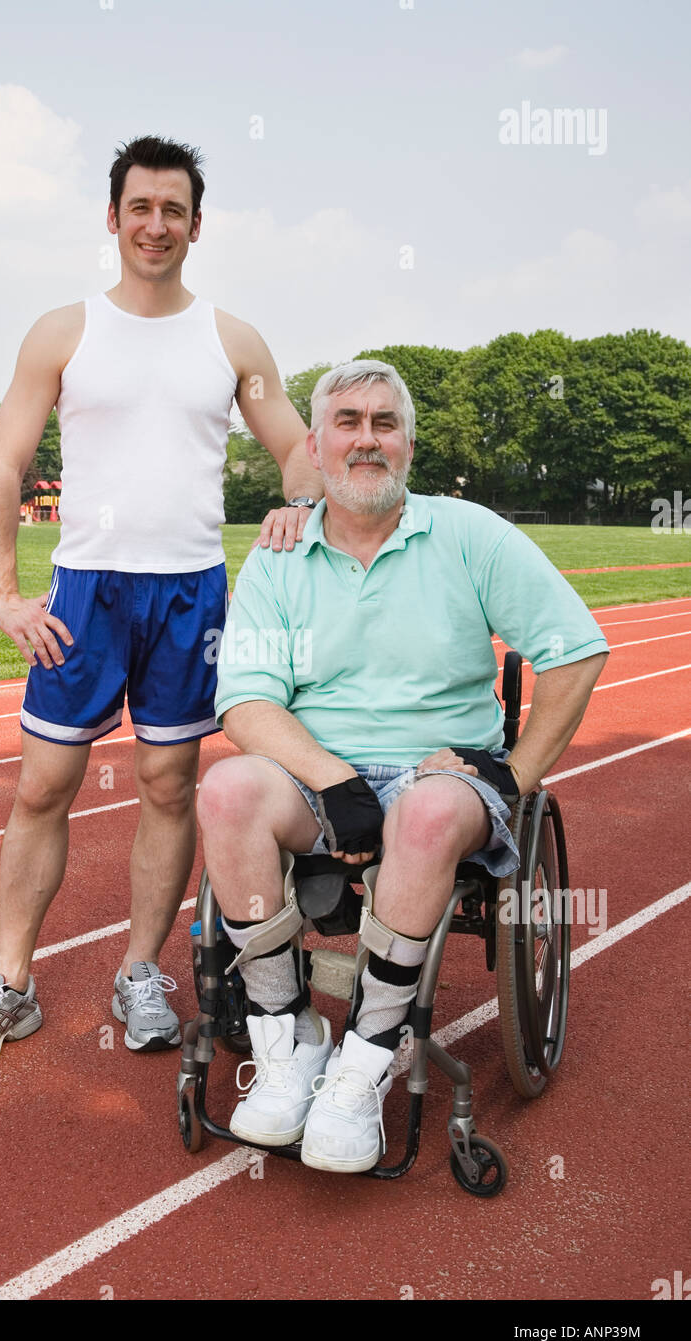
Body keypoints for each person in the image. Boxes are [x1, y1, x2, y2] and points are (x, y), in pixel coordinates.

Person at [0, 135, 320, 1067]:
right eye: (140, 207)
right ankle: (9, 983)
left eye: (174, 210)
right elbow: (3, 462)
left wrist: (295, 505)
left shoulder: (233, 340)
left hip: (191, 593)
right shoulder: (63, 332)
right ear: (113, 218)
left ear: (196, 225)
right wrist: (3, 594)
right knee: (41, 787)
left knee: (168, 786)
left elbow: (300, 449)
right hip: (87, 590)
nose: (156, 225)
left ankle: (140, 972)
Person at [196, 359, 609, 1173]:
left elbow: (575, 651)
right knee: (228, 787)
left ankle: (364, 1064)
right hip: (318, 772)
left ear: (409, 444)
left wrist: (513, 775)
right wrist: (332, 778)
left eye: (385, 424)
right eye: (347, 423)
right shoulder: (281, 554)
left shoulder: (469, 532)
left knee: (422, 812)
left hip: (443, 770)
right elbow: (245, 704)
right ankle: (287, 1044)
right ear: (313, 446)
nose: (366, 439)